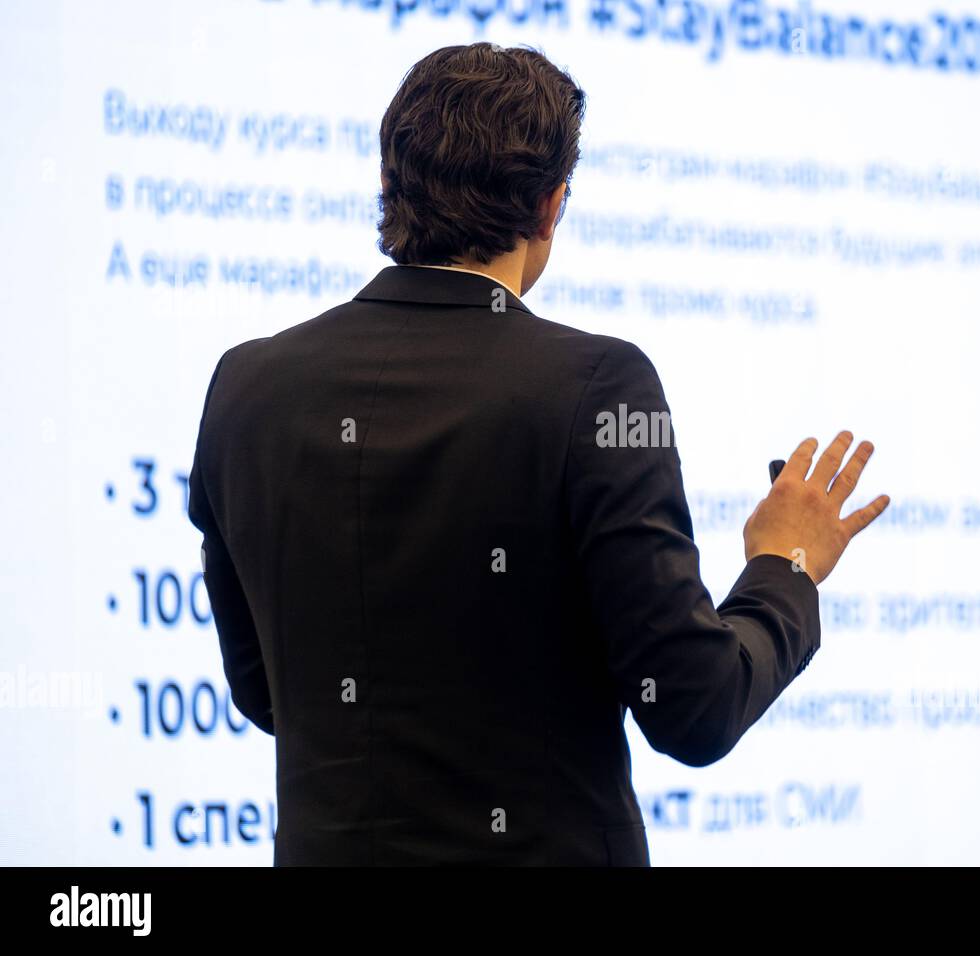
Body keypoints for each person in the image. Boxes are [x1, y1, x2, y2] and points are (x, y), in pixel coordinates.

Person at [187, 42, 889, 866]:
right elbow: (695, 708)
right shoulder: (599, 384)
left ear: (387, 187)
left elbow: (268, 693)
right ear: (552, 207)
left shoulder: (245, 385)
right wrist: (785, 564)